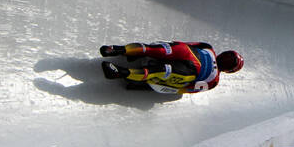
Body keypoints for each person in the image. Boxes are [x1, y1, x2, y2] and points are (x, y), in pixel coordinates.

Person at [99, 41, 243, 94]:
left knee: (165, 69)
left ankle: (121, 72)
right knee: (160, 50)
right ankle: (119, 50)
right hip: (186, 53)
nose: (225, 59)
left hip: (189, 70)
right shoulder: (207, 47)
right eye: (227, 56)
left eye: (229, 61)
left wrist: (168, 87)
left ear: (229, 70)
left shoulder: (214, 81)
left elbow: (188, 89)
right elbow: (186, 44)